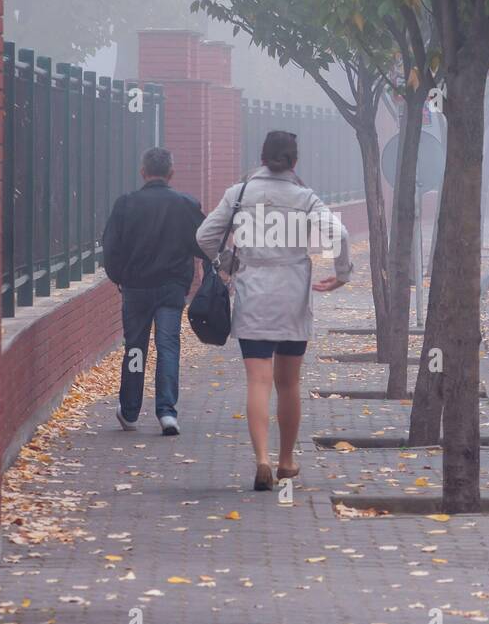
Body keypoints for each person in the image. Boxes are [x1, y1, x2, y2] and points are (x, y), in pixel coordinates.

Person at [197, 130, 352, 490]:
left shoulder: (239, 194)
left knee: (258, 381)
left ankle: (261, 459)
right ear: (294, 161)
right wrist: (341, 274)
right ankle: (286, 462)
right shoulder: (305, 198)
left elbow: (204, 236)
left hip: (253, 296)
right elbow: (340, 235)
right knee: (289, 383)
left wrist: (229, 264)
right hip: (292, 298)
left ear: (262, 157)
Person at [102, 146, 206, 436]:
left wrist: (120, 277)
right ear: (171, 174)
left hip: (136, 288)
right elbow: (204, 242)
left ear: (143, 172)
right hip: (171, 289)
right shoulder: (186, 205)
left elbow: (111, 248)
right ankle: (167, 413)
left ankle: (131, 410)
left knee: (135, 348)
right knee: (168, 346)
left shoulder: (125, 205)